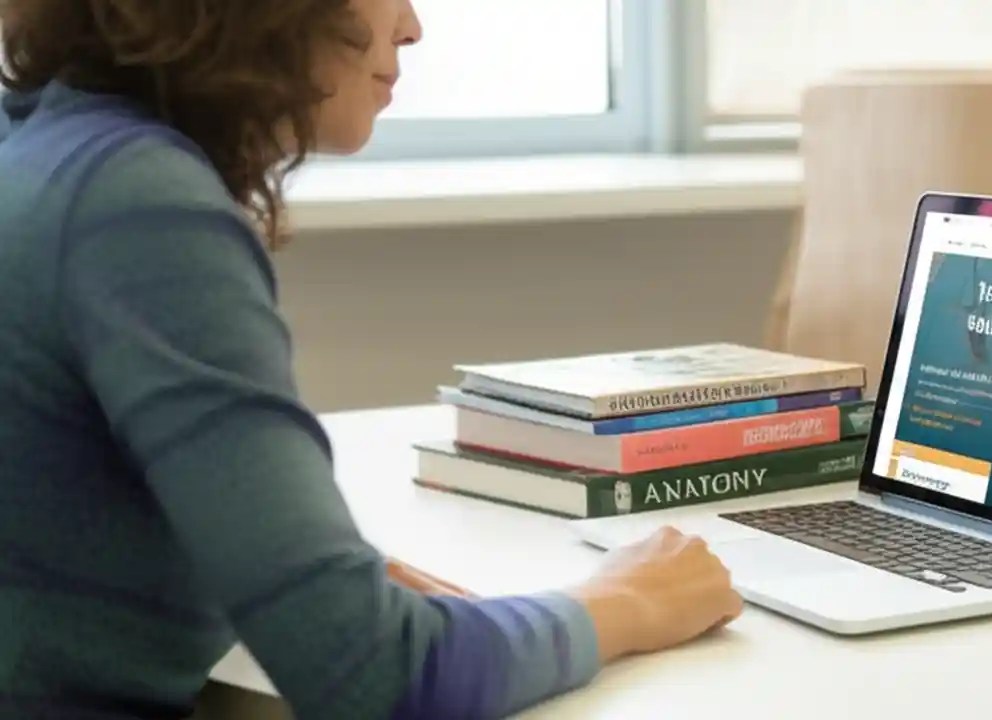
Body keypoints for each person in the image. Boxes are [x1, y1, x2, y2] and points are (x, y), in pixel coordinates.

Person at [0, 1, 743, 718]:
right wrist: (625, 599)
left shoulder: (48, 152)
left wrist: (298, 570)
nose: (414, 27)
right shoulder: (138, 207)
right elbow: (369, 670)